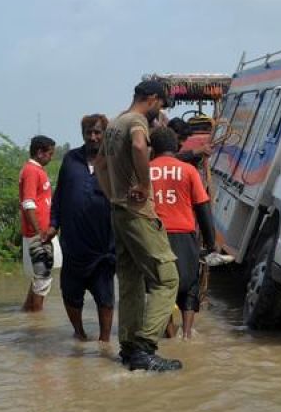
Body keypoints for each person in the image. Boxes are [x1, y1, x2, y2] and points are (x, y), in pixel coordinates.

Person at [98, 79, 182, 372]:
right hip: (138, 213)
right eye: (161, 104)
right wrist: (145, 185)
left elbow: (100, 167)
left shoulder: (113, 124)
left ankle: (130, 348)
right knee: (168, 278)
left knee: (131, 280)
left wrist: (113, 197)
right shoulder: (136, 122)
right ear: (153, 98)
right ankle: (145, 348)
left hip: (118, 211)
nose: (159, 111)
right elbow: (137, 145)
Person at [49, 114, 116, 342]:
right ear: (83, 134)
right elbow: (59, 196)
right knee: (70, 293)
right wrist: (53, 224)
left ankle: (105, 341)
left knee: (105, 296)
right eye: (89, 132)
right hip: (73, 244)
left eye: (98, 132)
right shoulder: (70, 159)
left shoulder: (113, 161)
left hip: (104, 245)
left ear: (105, 134)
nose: (93, 137)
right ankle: (79, 333)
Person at [149, 127, 216, 339]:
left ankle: (168, 334)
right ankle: (186, 336)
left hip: (153, 237)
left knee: (161, 286)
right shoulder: (188, 171)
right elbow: (203, 208)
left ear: (153, 148)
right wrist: (211, 244)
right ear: (176, 146)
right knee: (190, 285)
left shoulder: (144, 171)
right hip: (184, 236)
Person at [19, 135, 61, 312]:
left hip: (44, 232)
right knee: (42, 278)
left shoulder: (37, 171)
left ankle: (28, 312)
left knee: (39, 277)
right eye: (50, 154)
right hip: (38, 234)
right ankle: (37, 321)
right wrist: (39, 233)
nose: (51, 157)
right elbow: (28, 203)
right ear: (40, 152)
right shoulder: (31, 171)